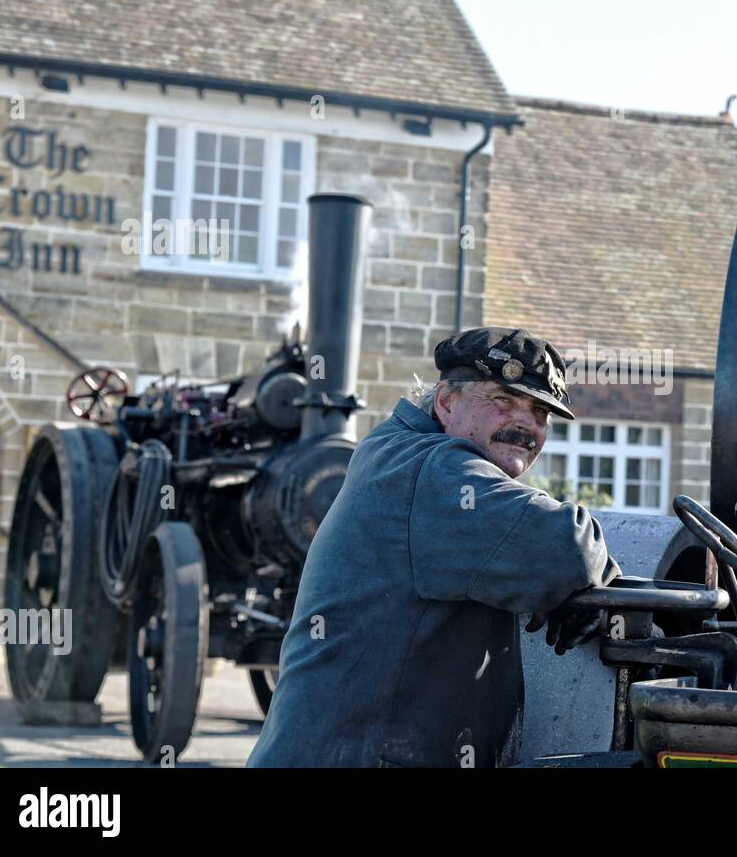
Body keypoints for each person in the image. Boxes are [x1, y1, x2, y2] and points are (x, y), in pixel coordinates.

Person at [248, 327, 619, 768]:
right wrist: (593, 586)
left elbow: (535, 552)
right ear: (446, 401)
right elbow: (568, 547)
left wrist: (560, 588)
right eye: (503, 400)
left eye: (540, 411)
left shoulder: (396, 450)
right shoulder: (433, 470)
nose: (526, 424)